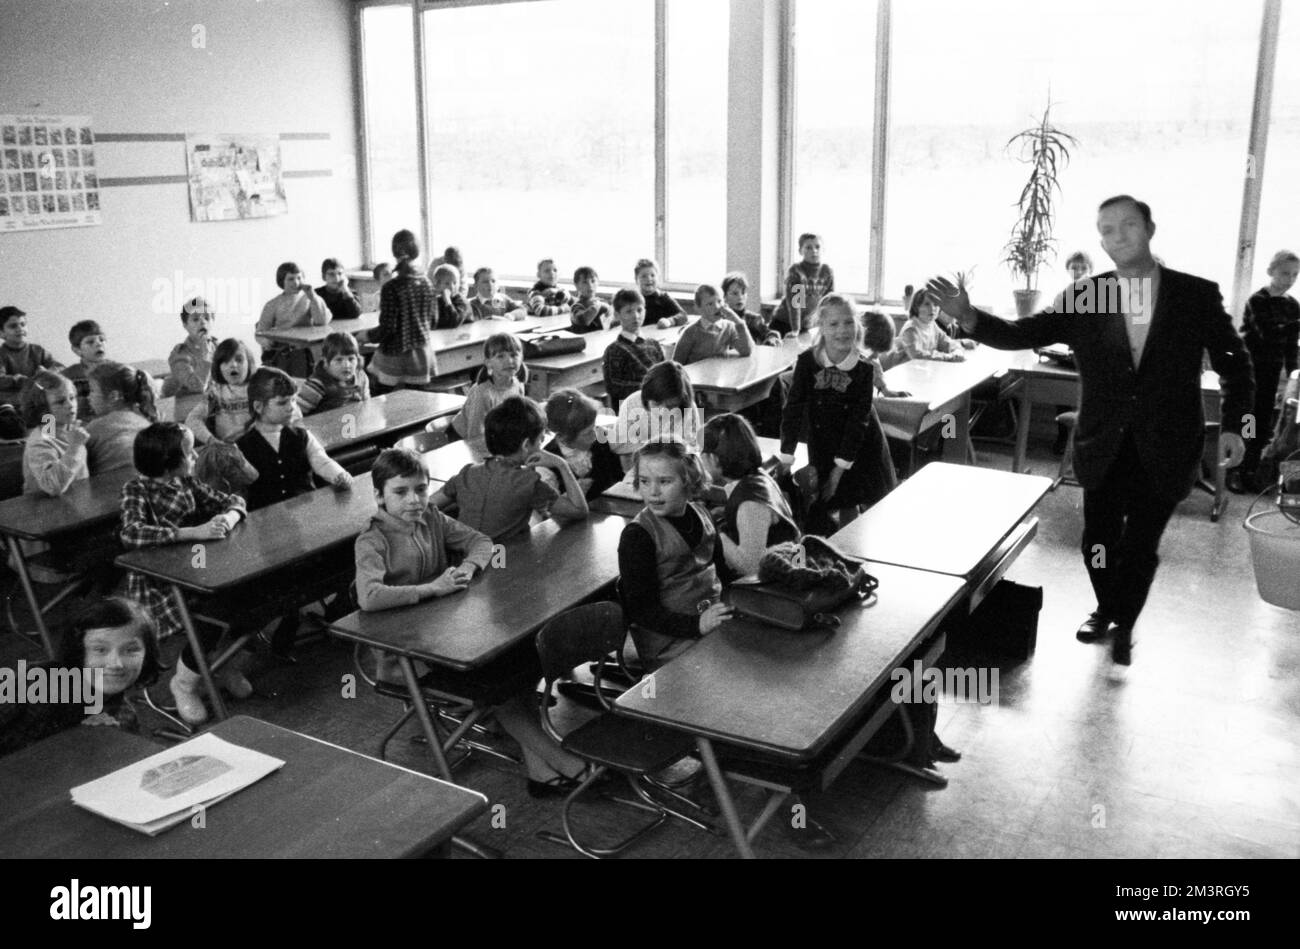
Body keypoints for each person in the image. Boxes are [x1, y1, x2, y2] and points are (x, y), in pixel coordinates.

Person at [925, 194, 1255, 665]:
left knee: (1141, 546)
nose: (1117, 236)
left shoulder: (1194, 294)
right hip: (1103, 443)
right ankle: (1108, 605)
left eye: (1127, 225)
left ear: (1150, 228)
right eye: (1106, 229)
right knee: (1097, 544)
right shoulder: (1087, 296)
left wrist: (1240, 426)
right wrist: (971, 317)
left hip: (1166, 446)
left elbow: (1235, 362)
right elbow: (1023, 333)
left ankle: (1123, 623)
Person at [355, 447, 590, 797]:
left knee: (513, 667)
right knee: (498, 688)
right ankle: (567, 763)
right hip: (403, 659)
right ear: (378, 496)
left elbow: (480, 541)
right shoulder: (372, 540)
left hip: (445, 637)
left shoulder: (431, 518)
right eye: (400, 492)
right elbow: (369, 597)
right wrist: (432, 588)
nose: (415, 500)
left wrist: (468, 567)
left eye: (421, 489)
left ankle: (541, 771)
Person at [120, 422, 248, 724]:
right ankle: (185, 683)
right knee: (212, 613)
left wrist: (228, 518)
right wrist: (192, 532)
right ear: (167, 462)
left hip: (197, 567)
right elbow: (131, 534)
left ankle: (220, 663)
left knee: (244, 595)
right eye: (189, 452)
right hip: (160, 582)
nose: (196, 457)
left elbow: (234, 500)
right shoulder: (137, 489)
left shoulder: (187, 483)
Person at [778, 294, 894, 533]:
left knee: (859, 500)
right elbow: (794, 409)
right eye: (833, 324)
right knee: (831, 499)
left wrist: (839, 470)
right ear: (821, 327)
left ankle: (856, 555)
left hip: (860, 443)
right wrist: (786, 455)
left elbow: (858, 421)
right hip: (823, 441)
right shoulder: (807, 362)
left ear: (858, 325)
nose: (842, 330)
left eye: (849, 322)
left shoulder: (864, 368)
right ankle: (834, 550)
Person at [617, 439, 730, 670]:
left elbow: (723, 573)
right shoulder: (638, 536)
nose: (653, 492)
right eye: (644, 482)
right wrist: (697, 625)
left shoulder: (702, 513)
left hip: (712, 622)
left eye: (665, 481)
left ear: (689, 481)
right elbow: (642, 611)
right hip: (670, 644)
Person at [0, 597, 160, 757]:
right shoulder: (34, 684)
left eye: (131, 650)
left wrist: (99, 739)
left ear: (147, 656)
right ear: (79, 650)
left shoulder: (124, 718)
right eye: (100, 650)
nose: (116, 663)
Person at [433, 395, 588, 541]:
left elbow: (428, 504)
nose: (541, 447)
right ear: (526, 445)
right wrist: (562, 465)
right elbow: (579, 510)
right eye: (540, 441)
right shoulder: (527, 484)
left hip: (463, 560)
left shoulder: (467, 473)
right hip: (502, 564)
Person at [237, 367, 352, 510]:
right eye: (282, 402)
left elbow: (321, 461)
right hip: (266, 517)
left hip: (306, 510)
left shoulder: (302, 436)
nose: (291, 407)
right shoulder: (243, 446)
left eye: (293, 400)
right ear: (259, 407)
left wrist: (338, 475)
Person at [700, 413, 798, 577]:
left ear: (713, 458)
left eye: (701, 452)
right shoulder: (758, 477)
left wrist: (715, 533)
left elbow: (751, 567)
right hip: (782, 568)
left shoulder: (751, 503)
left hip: (778, 581)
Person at [1234, 249, 1299, 492]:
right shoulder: (1257, 300)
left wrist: (1295, 379)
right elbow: (1268, 333)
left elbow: (1291, 348)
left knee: (1262, 424)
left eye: (1295, 275)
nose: (1290, 279)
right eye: (1285, 273)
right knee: (1247, 421)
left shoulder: (1293, 306)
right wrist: (1295, 326)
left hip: (1271, 373)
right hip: (1249, 371)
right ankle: (1236, 471)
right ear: (1271, 272)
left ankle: (1251, 470)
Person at [370, 229, 438, 389]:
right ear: (417, 251)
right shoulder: (427, 283)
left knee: (381, 403)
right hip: (421, 356)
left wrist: (366, 336)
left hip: (394, 357)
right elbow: (433, 322)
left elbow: (388, 328)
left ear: (394, 251)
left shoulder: (391, 287)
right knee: (417, 406)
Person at [610, 359, 704, 466]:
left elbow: (695, 447)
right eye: (656, 404)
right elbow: (618, 446)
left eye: (671, 407)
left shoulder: (689, 408)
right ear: (646, 398)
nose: (662, 412)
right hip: (638, 469)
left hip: (676, 469)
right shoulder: (631, 404)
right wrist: (655, 449)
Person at [446, 333, 526, 458]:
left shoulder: (518, 385)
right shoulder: (483, 392)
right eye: (500, 356)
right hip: (461, 442)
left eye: (514, 355)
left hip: (491, 438)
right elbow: (474, 437)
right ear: (489, 363)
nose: (509, 361)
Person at [543, 388, 623, 499]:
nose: (595, 435)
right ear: (564, 436)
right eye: (587, 433)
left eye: (594, 427)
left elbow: (619, 477)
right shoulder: (548, 462)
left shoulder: (602, 439)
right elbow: (552, 507)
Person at [22, 370, 88, 495]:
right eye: (60, 402)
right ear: (43, 409)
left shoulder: (68, 427)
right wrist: (74, 447)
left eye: (72, 397)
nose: (71, 405)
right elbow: (52, 486)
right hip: (43, 509)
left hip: (77, 499)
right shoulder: (41, 440)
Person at [84, 361, 158, 473]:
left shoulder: (95, 428)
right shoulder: (144, 418)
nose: (88, 397)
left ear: (114, 396)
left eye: (92, 391)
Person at [602, 288, 664, 411]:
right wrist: (650, 389)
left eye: (639, 310)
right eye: (629, 311)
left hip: (658, 403)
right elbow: (614, 387)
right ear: (617, 315)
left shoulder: (654, 344)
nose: (636, 316)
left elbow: (664, 374)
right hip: (632, 408)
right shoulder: (615, 350)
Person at [185, 338, 256, 444]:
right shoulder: (215, 392)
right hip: (224, 447)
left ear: (249, 363)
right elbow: (192, 419)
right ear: (218, 367)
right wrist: (211, 440)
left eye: (239, 360)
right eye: (226, 361)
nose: (233, 365)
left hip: (253, 444)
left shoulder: (259, 388)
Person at [255, 261, 331, 352]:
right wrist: (267, 342)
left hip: (308, 346)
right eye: (291, 279)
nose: (296, 282)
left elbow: (322, 321)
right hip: (285, 348)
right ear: (281, 281)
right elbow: (260, 333)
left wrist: (313, 298)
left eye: (299, 278)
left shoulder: (310, 298)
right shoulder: (272, 304)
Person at [162, 297, 216, 423]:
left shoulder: (219, 348)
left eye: (207, 318)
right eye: (196, 319)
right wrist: (206, 356)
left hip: (218, 410)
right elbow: (198, 386)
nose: (202, 322)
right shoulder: (180, 355)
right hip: (189, 415)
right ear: (185, 325)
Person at [671, 284, 754, 365]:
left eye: (719, 301)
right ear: (698, 308)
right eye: (710, 304)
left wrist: (737, 321)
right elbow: (676, 364)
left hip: (719, 376)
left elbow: (746, 351)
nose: (717, 307)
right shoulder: (690, 332)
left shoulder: (728, 327)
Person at [0, 305, 61, 412]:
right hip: (14, 404)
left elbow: (58, 367)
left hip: (38, 401)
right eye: (13, 326)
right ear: (1, 333)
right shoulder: (1, 354)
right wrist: (19, 380)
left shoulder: (37, 350)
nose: (20, 329)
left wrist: (47, 372)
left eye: (23, 324)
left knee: (50, 413)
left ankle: (49, 429)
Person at [772, 233, 834, 337]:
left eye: (817, 247)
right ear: (800, 251)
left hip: (806, 325)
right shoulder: (796, 271)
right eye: (808, 248)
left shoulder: (827, 271)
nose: (814, 251)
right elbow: (796, 304)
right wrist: (795, 329)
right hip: (785, 323)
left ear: (823, 249)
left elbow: (829, 301)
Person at [296, 331, 370, 415]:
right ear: (326, 362)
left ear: (358, 359)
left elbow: (366, 406)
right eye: (339, 360)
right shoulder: (317, 384)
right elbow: (297, 414)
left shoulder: (361, 377)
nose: (346, 365)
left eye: (351, 359)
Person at [898, 291, 975, 361]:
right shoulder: (911, 329)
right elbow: (917, 356)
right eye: (927, 304)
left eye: (935, 304)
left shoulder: (932, 325)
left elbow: (947, 343)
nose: (932, 308)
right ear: (916, 307)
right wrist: (948, 357)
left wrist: (957, 351)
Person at [61, 319, 108, 421]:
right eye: (90, 342)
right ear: (77, 350)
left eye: (102, 339)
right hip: (80, 428)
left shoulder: (119, 371)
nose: (99, 344)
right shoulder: (67, 377)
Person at [722, 271, 780, 346]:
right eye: (735, 293)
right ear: (724, 297)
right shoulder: (719, 319)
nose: (740, 297)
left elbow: (769, 333)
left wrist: (772, 339)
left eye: (743, 293)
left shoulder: (753, 319)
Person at [636, 258, 686, 328]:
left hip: (661, 336)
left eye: (652, 275)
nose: (649, 279)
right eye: (644, 276)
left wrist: (669, 321)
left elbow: (683, 315)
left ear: (658, 278)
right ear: (636, 279)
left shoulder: (663, 298)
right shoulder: (633, 300)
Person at [316, 257, 363, 322]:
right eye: (331, 274)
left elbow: (356, 314)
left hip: (347, 330)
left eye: (340, 274)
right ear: (323, 277)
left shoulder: (350, 294)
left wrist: (345, 290)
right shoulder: (317, 294)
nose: (336, 278)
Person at [570, 265, 612, 333]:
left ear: (598, 283)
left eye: (593, 281)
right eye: (585, 282)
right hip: (584, 342)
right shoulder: (577, 306)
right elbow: (584, 320)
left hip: (600, 339)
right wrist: (597, 305)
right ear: (576, 285)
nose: (590, 285)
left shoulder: (602, 303)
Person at [429, 263, 472, 330]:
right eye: (447, 283)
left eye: (455, 283)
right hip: (445, 336)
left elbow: (455, 322)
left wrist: (448, 301)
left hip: (465, 338)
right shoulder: (437, 300)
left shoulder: (462, 302)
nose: (452, 287)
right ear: (437, 285)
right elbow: (433, 322)